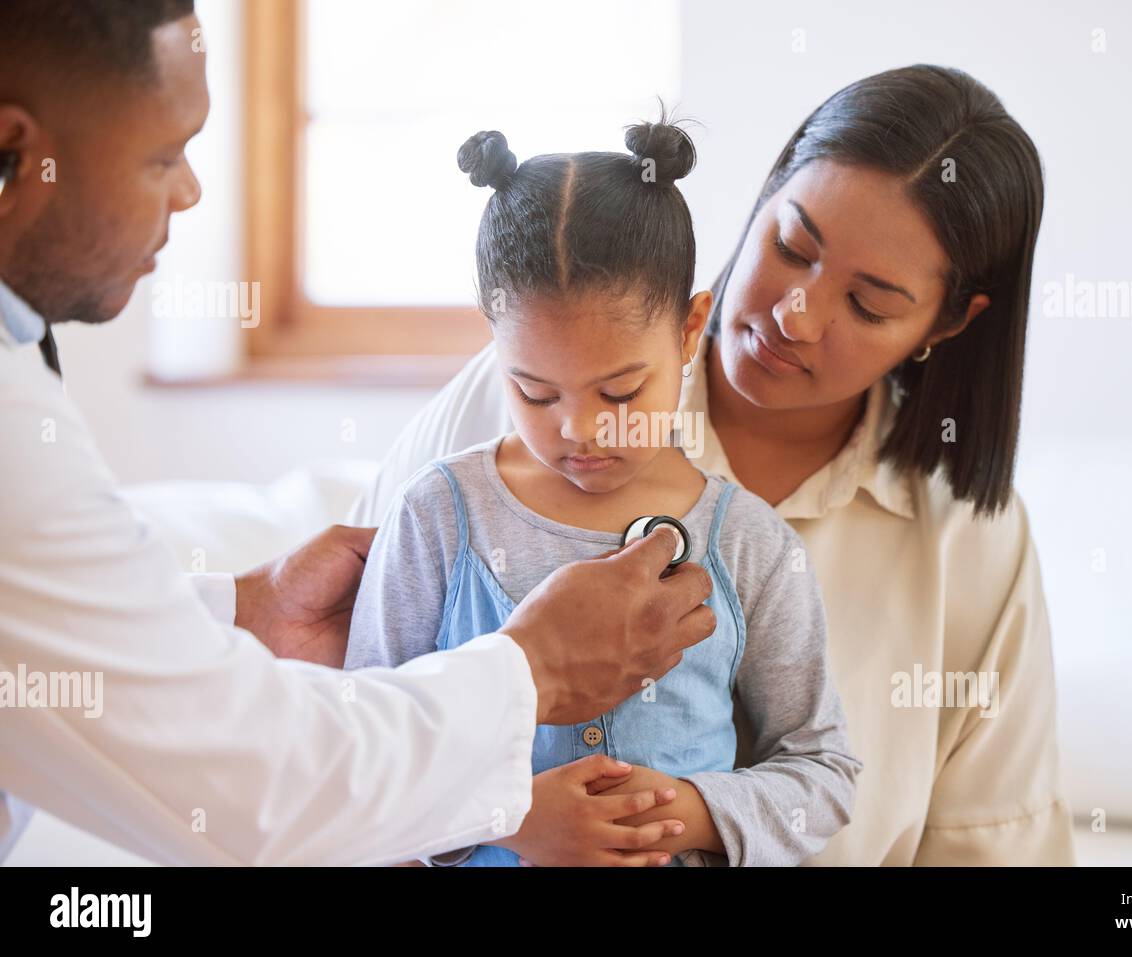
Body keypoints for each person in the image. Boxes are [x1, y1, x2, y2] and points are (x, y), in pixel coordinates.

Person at [0, 0, 713, 866]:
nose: (192, 192)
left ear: (687, 331)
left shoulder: (737, 530)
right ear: (14, 152)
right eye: (163, 156)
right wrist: (531, 669)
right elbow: (258, 793)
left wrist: (244, 612)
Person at [350, 65, 1077, 865]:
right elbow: (343, 742)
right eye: (792, 245)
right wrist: (498, 810)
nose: (794, 318)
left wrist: (674, 812)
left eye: (868, 304)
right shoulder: (488, 431)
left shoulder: (967, 540)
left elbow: (987, 842)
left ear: (948, 321)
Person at [346, 122, 861, 867]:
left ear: (690, 330)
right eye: (535, 390)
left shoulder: (749, 544)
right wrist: (505, 821)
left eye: (621, 389)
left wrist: (678, 813)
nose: (580, 430)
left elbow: (824, 770)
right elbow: (360, 749)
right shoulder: (437, 519)